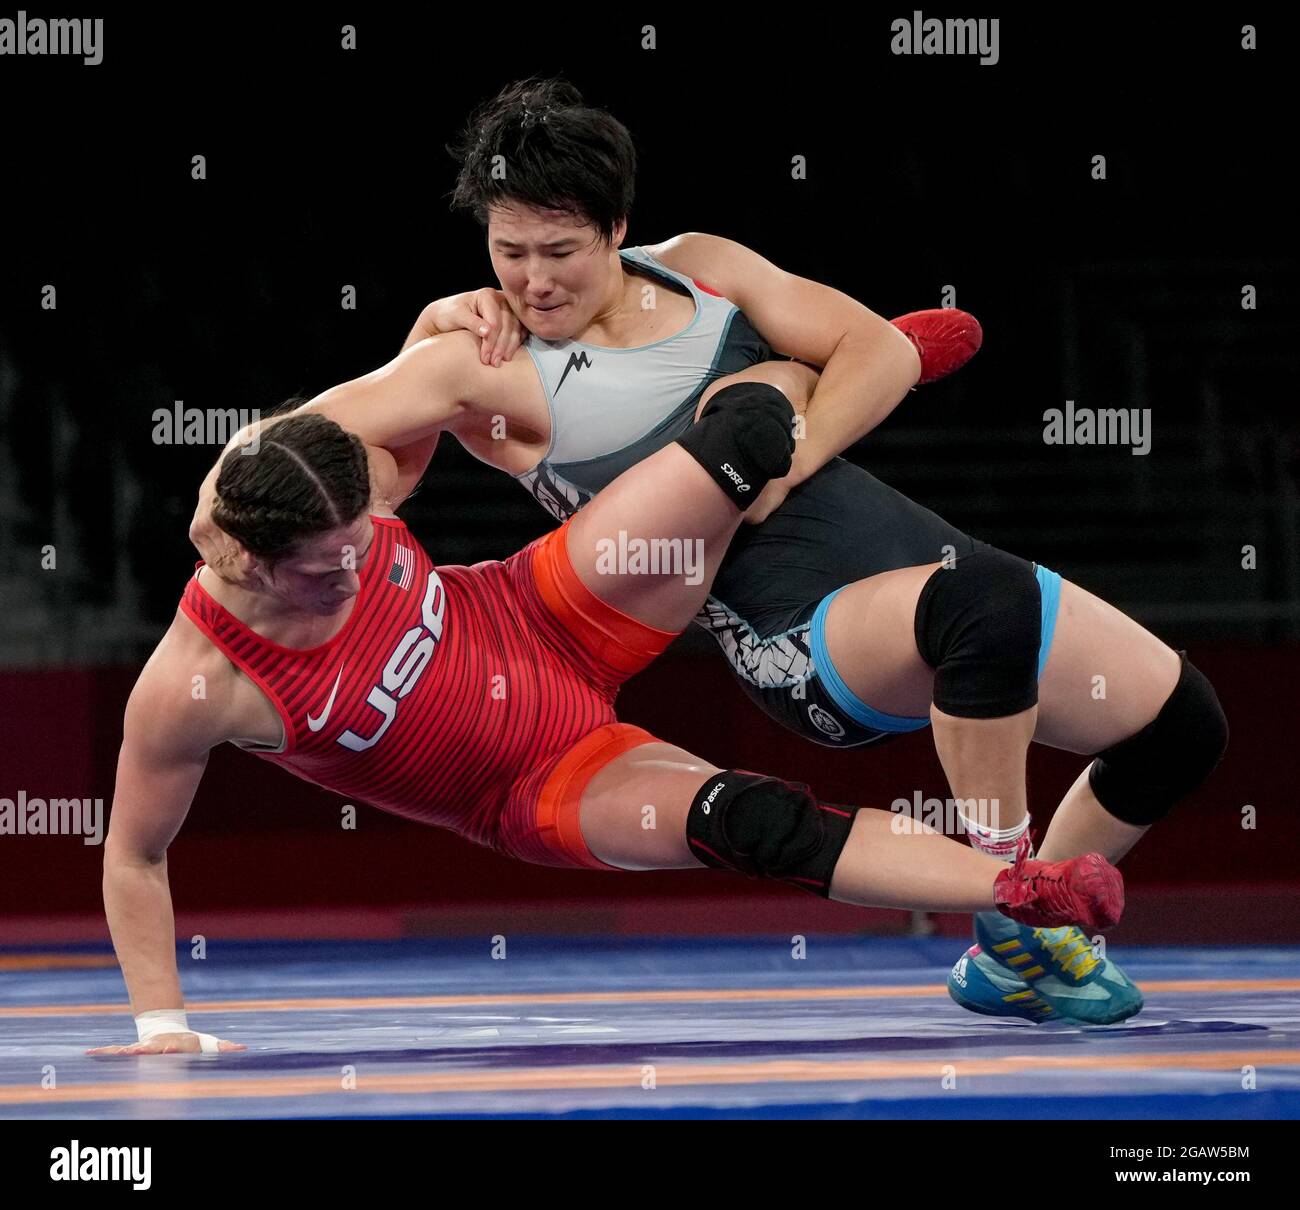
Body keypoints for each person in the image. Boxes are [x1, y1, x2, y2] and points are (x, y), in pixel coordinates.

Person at [382, 78, 1232, 1024]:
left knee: (1182, 727)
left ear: (616, 227)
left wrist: (791, 457)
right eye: (509, 253)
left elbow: (882, 350)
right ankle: (1010, 904)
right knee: (983, 604)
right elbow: (340, 436)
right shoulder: (488, 365)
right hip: (792, 629)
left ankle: (1022, 945)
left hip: (903, 550)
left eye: (560, 251)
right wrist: (420, 334)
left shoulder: (699, 267)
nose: (534, 282)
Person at [92, 351, 1121, 1056]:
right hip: (539, 780)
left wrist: (467, 328)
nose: (354, 575)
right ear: (253, 563)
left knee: (750, 427)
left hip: (538, 610)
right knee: (754, 823)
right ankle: (1018, 892)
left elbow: (434, 384)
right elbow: (134, 854)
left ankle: (866, 355)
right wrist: (159, 1024)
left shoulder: (313, 474)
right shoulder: (196, 686)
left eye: (363, 543)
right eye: (324, 574)